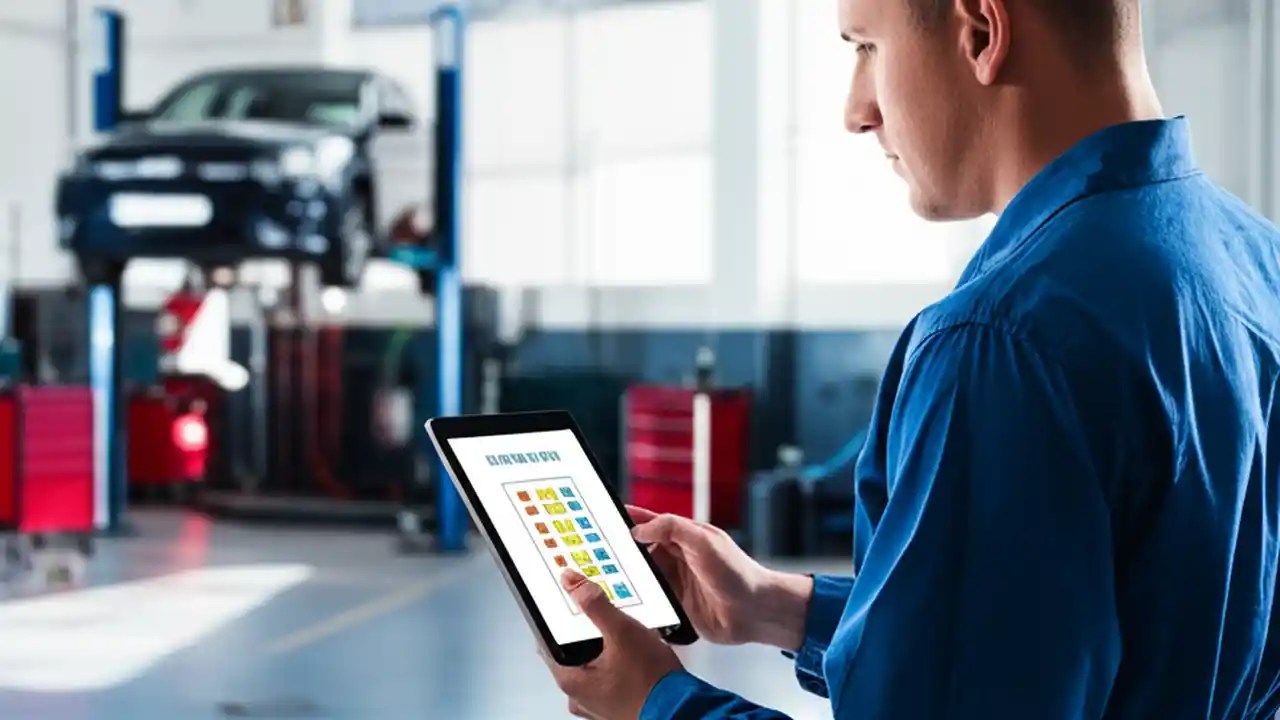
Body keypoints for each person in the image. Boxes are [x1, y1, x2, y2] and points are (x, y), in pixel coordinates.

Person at [539, 0, 1280, 716]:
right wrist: (778, 606)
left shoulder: (998, 343)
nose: (856, 111)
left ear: (981, 31)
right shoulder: (1258, 262)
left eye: (867, 46)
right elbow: (1060, 637)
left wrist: (658, 701)